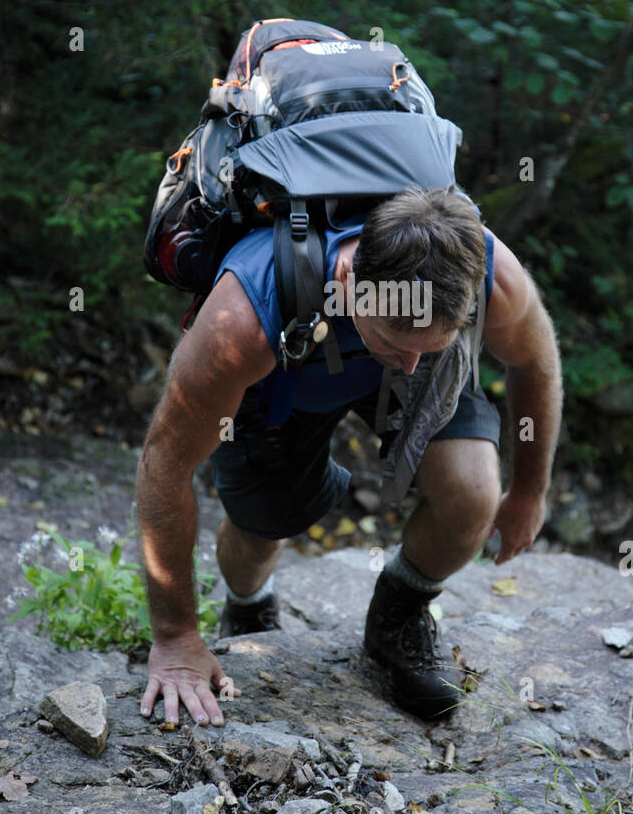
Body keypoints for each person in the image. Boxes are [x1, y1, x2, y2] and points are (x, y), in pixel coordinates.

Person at [136, 187, 562, 728]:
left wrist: (528, 491)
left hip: (387, 356)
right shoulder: (246, 313)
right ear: (346, 283)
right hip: (288, 366)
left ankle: (398, 615)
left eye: (429, 347)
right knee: (262, 528)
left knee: (472, 497)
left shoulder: (487, 272)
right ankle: (248, 603)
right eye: (395, 342)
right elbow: (164, 464)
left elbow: (536, 361)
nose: (409, 367)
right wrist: (174, 639)